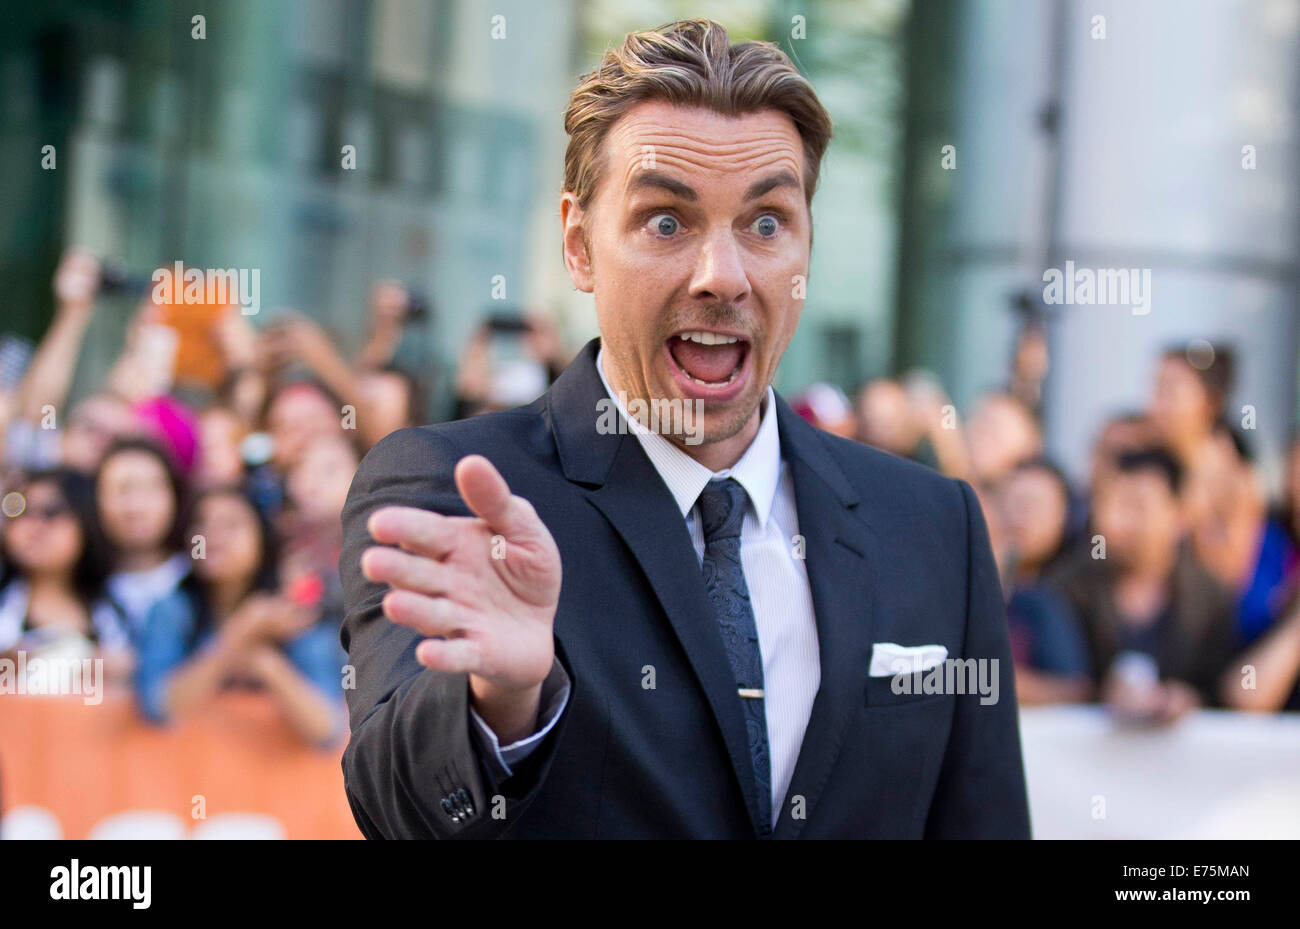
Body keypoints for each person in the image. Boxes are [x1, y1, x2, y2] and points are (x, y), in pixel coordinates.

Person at [340, 20, 1030, 839]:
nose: (722, 276)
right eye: (666, 221)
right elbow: (398, 813)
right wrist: (501, 701)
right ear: (578, 244)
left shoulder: (932, 526)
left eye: (767, 223)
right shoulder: (455, 489)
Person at [134, 486, 346, 747]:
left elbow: (326, 730)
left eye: (231, 525)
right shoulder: (172, 610)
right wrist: (241, 631)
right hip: (182, 776)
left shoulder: (291, 616)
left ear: (262, 540)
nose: (212, 536)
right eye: (202, 524)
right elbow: (158, 708)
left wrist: (265, 665)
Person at [1051, 447, 1239, 724]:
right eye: (1108, 504)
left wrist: (1188, 700)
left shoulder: (1211, 596)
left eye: (1137, 506)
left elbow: (1225, 691)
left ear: (1179, 515)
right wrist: (1100, 693)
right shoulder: (1068, 587)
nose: (1116, 520)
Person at [0, 468, 132, 683]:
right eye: (18, 509)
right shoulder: (6, 605)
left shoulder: (115, 614)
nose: (33, 525)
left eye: (51, 512)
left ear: (86, 521)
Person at [95, 437, 191, 641]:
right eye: (122, 490)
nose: (136, 507)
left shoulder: (202, 580)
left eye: (149, 489)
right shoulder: (79, 587)